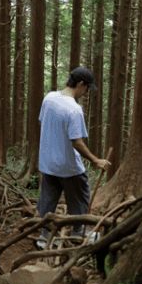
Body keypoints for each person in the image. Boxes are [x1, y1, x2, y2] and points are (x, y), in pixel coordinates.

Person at [35, 67, 111, 249]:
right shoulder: (74, 109)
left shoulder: (49, 98)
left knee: (48, 200)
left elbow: (42, 121)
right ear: (80, 84)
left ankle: (44, 238)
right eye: (87, 88)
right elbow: (77, 142)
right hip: (68, 166)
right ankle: (78, 235)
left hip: (48, 163)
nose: (86, 93)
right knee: (80, 197)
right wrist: (95, 160)